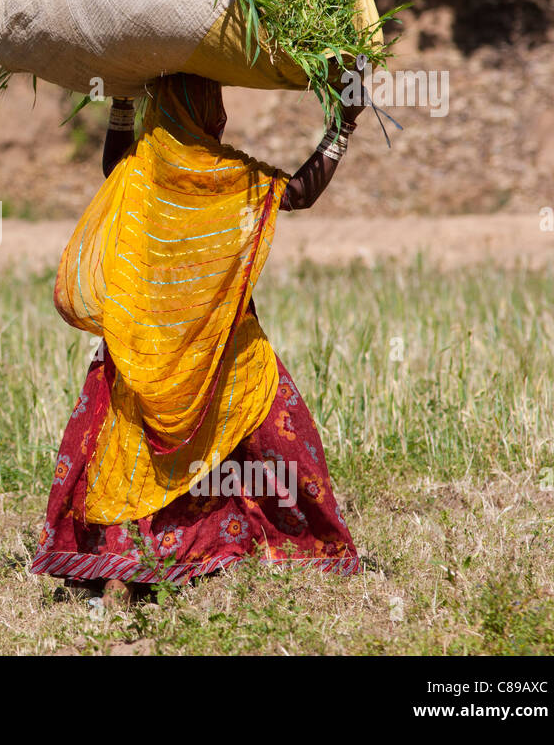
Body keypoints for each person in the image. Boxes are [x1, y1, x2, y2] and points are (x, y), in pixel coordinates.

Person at [30, 73, 361, 603]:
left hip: (143, 347)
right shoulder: (226, 176)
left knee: (121, 449)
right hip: (222, 347)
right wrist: (341, 126)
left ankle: (119, 558)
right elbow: (297, 193)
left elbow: (112, 163)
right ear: (211, 111)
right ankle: (275, 542)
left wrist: (120, 95)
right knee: (274, 439)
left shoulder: (138, 169)